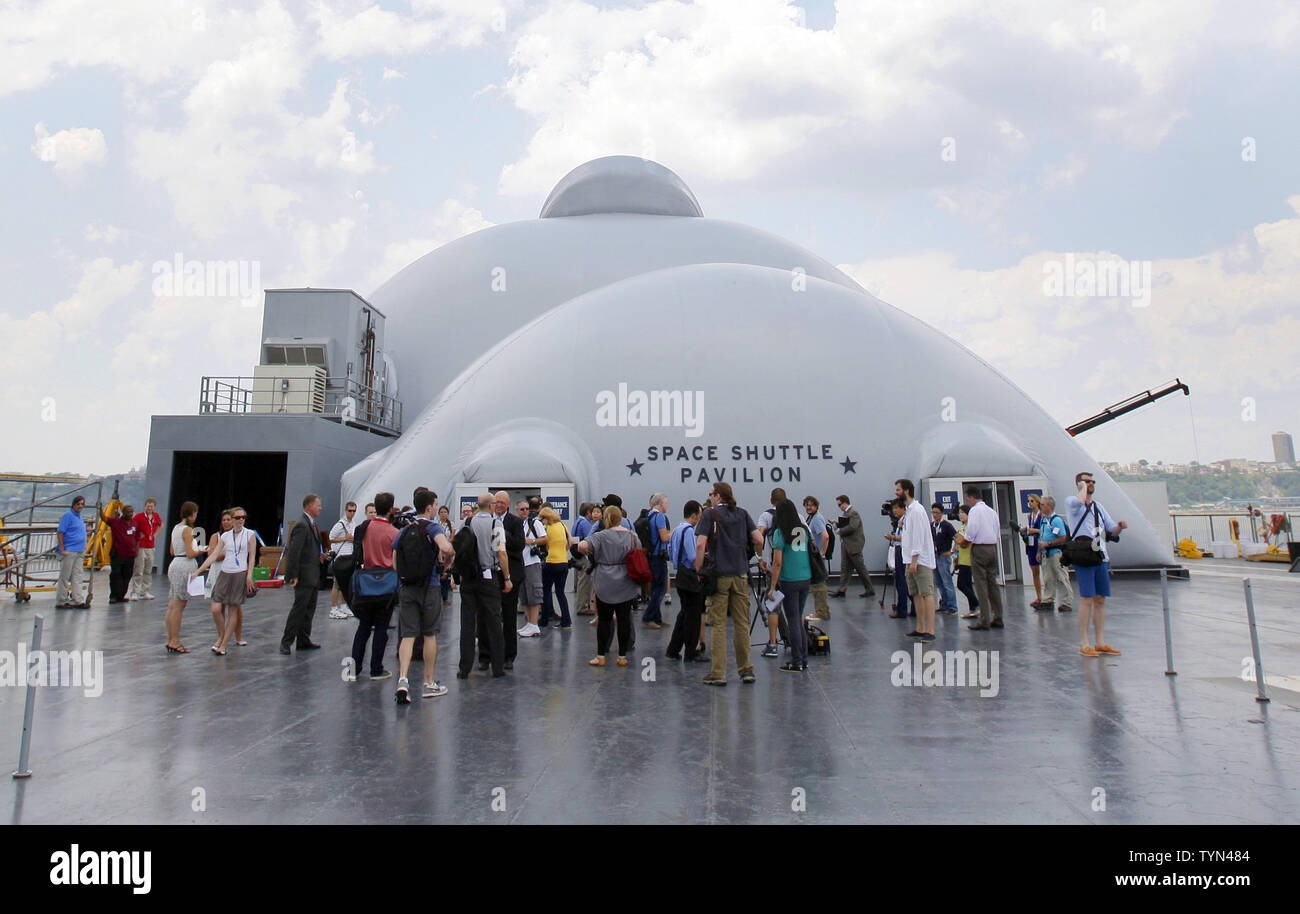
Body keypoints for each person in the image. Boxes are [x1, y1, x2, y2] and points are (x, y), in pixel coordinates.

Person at [694, 481, 763, 686]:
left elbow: (700, 544)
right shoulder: (742, 513)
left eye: (711, 494)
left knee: (718, 624)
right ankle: (746, 669)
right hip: (740, 573)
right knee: (742, 623)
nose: (710, 497)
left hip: (719, 574)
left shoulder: (710, 514)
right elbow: (758, 538)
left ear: (718, 496)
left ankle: (719, 673)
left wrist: (698, 567)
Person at [393, 489, 455, 702]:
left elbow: (394, 559)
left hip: (408, 587)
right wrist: (446, 565)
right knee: (429, 634)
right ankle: (429, 681)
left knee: (408, 635)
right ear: (429, 507)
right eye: (436, 505)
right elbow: (447, 547)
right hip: (430, 586)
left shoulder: (404, 531)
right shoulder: (433, 527)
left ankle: (403, 679)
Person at [1065, 472, 1127, 656]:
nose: (1090, 484)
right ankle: (1085, 642)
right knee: (1087, 599)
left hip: (1100, 556)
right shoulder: (1072, 502)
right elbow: (1078, 501)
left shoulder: (1098, 506)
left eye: (1092, 481)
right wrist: (1082, 488)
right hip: (1084, 555)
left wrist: (1120, 527)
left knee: (1100, 599)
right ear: (1079, 484)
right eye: (1086, 481)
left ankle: (1100, 641)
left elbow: (1110, 528)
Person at [576, 505, 640, 667]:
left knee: (604, 619)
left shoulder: (601, 536)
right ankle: (622, 656)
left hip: (604, 579)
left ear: (606, 518)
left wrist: (591, 553)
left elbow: (582, 546)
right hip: (626, 580)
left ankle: (601, 655)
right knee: (624, 619)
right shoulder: (632, 536)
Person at [455, 493, 510, 679]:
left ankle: (464, 667)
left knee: (468, 622)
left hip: (469, 578)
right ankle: (498, 666)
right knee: (494, 621)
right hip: (488, 576)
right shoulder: (496, 524)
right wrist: (507, 577)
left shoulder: (466, 523)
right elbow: (500, 552)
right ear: (492, 505)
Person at [346, 492, 400, 679]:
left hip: (366, 581)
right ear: (391, 509)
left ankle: (353, 668)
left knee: (363, 627)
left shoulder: (365, 527)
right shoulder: (394, 533)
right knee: (382, 628)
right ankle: (376, 668)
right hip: (386, 583)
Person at [194, 505, 256, 655]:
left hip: (239, 573)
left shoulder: (249, 534)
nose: (241, 520)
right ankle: (221, 636)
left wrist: (249, 575)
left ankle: (224, 644)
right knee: (216, 608)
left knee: (233, 610)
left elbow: (252, 556)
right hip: (225, 573)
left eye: (243, 518)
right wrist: (198, 571)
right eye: (238, 518)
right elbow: (213, 555)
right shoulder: (225, 536)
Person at [279, 494, 327, 655]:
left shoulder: (311, 524)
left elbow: (308, 548)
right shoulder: (302, 525)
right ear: (309, 506)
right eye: (318, 505)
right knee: (299, 610)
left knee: (309, 610)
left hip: (312, 574)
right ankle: (286, 641)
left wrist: (319, 556)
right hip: (305, 576)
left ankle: (303, 639)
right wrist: (292, 575)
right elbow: (294, 552)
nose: (320, 508)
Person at [767, 499, 811, 672]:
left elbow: (778, 562)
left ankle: (797, 660)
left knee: (792, 619)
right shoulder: (803, 530)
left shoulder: (780, 532)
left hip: (789, 579)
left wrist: (772, 586)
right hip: (805, 577)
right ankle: (804, 657)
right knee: (798, 617)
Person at [665, 500, 707, 662]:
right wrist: (699, 568)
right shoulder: (689, 531)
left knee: (684, 613)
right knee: (693, 615)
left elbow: (671, 551)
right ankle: (690, 651)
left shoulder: (676, 530)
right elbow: (692, 555)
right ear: (695, 515)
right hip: (689, 575)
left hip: (680, 574)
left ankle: (673, 648)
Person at [897, 479, 937, 643]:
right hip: (910, 560)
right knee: (915, 593)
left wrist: (914, 560)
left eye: (898, 490)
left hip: (920, 561)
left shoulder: (917, 511)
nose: (896, 493)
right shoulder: (908, 512)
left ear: (907, 490)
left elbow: (919, 537)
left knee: (926, 593)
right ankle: (920, 627)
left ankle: (930, 630)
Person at [164, 501, 204, 653]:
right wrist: (201, 549)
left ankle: (170, 638)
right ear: (192, 513)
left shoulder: (176, 528)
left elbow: (172, 551)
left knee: (172, 604)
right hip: (184, 565)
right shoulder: (187, 530)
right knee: (179, 606)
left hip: (174, 564)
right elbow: (190, 553)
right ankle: (175, 640)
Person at [491, 492, 526, 663]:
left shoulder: (515, 522)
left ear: (508, 504)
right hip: (490, 574)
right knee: (490, 615)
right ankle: (489, 653)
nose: (498, 505)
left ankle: (509, 655)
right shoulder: (486, 520)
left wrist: (501, 533)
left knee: (509, 616)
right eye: (496, 502)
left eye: (502, 503)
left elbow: (519, 544)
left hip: (511, 572)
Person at [963, 485, 1003, 630]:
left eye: (968, 498)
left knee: (980, 584)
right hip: (992, 547)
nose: (969, 501)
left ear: (972, 497)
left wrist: (965, 542)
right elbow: (997, 530)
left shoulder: (975, 510)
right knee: (993, 584)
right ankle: (998, 617)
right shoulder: (991, 511)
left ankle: (984, 620)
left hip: (979, 548)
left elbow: (972, 529)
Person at [755, 489, 788, 658]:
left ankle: (773, 644)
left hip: (772, 567)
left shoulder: (766, 516)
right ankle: (794, 640)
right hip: (794, 570)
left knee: (773, 605)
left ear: (771, 500)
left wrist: (760, 558)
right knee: (794, 608)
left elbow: (759, 537)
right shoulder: (797, 516)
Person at [830, 495, 874, 597]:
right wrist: (837, 523)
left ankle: (870, 589)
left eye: (840, 504)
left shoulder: (853, 513)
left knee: (860, 568)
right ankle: (842, 590)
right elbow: (848, 524)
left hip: (853, 545)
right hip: (846, 545)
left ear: (845, 502)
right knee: (845, 568)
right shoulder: (847, 513)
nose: (839, 507)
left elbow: (853, 526)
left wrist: (840, 530)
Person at [1035, 495, 1072, 614]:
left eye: (1042, 504)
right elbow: (1041, 537)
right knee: (1048, 578)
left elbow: (1062, 537)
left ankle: (1067, 601)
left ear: (1049, 506)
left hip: (1055, 552)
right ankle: (1048, 600)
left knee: (1062, 577)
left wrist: (1049, 543)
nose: (1040, 506)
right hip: (1046, 553)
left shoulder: (1056, 520)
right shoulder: (1044, 520)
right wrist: (1039, 551)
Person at [539, 505, 574, 628]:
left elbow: (543, 542)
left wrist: (548, 550)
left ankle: (544, 620)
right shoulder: (562, 525)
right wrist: (564, 550)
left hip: (550, 562)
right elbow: (571, 541)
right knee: (560, 592)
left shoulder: (546, 527)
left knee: (546, 591)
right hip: (563, 562)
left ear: (545, 518)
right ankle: (566, 620)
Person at [642, 493, 672, 628]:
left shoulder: (649, 516)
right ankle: (649, 616)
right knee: (660, 588)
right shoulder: (660, 517)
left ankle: (657, 617)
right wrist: (675, 533)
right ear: (660, 504)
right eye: (665, 503)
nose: (667, 506)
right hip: (658, 556)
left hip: (651, 554)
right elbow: (664, 537)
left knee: (655, 587)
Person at [100, 503, 138, 604]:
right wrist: (100, 509)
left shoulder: (134, 523)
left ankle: (121, 595)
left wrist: (136, 551)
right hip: (118, 554)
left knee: (127, 575)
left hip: (130, 555)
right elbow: (104, 518)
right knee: (116, 575)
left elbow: (137, 538)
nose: (130, 514)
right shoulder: (115, 522)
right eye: (128, 512)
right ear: (123, 512)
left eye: (131, 512)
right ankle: (113, 595)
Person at [520, 498, 549, 631]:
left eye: (527, 509)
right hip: (521, 563)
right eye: (522, 509)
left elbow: (544, 538)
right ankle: (529, 622)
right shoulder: (516, 524)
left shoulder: (535, 522)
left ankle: (534, 623)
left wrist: (531, 541)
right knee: (524, 595)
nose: (525, 511)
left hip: (532, 562)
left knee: (534, 592)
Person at [55, 495, 89, 608]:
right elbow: (60, 532)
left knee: (77, 576)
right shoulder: (68, 516)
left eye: (82, 504)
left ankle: (78, 599)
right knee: (65, 576)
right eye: (78, 504)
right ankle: (61, 600)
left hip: (79, 550)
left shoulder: (79, 517)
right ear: (73, 505)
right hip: (70, 550)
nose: (80, 506)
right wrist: (62, 549)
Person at [803, 496, 831, 622]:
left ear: (816, 506)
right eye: (807, 505)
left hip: (817, 557)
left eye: (811, 505)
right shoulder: (812, 518)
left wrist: (822, 553)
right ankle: (821, 611)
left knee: (818, 586)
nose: (809, 507)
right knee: (817, 585)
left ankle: (821, 612)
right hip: (815, 556)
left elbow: (825, 536)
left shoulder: (817, 519)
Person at [327, 501, 358, 619]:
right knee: (337, 584)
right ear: (346, 511)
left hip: (349, 556)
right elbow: (331, 538)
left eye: (354, 511)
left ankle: (344, 605)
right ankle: (334, 608)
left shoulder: (354, 524)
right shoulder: (340, 524)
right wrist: (345, 538)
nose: (352, 513)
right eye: (350, 511)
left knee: (346, 584)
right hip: (340, 558)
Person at [128, 498, 163, 600]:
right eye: (148, 506)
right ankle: (135, 591)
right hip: (141, 546)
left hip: (151, 546)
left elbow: (161, 525)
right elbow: (132, 526)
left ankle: (145, 591)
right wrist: (138, 536)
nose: (149, 508)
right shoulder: (139, 516)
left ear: (154, 507)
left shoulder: (156, 516)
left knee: (148, 570)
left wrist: (155, 534)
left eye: (151, 506)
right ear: (145, 506)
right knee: (138, 569)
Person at [572, 502, 601, 616]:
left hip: (576, 555)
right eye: (593, 511)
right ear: (588, 512)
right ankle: (583, 606)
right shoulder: (585, 523)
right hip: (584, 555)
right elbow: (590, 539)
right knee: (585, 582)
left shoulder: (577, 522)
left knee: (582, 581)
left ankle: (582, 605)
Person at [884, 500, 911, 618]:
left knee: (901, 581)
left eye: (896, 508)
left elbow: (906, 537)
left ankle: (902, 610)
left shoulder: (906, 520)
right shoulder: (900, 521)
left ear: (903, 508)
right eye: (893, 509)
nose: (894, 511)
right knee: (905, 581)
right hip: (900, 549)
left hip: (902, 550)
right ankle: (913, 607)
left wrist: (893, 537)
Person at [930, 503, 958, 614]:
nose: (935, 515)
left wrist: (952, 552)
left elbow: (957, 538)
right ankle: (944, 603)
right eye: (933, 512)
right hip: (935, 556)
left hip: (943, 557)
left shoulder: (947, 526)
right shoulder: (931, 525)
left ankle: (952, 605)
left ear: (941, 513)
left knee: (947, 582)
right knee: (939, 582)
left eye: (937, 513)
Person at [954, 505, 981, 620]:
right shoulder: (962, 527)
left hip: (968, 559)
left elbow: (966, 542)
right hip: (962, 559)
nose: (960, 515)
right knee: (968, 584)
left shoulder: (970, 527)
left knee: (961, 584)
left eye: (962, 513)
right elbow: (957, 543)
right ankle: (972, 608)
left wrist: (960, 542)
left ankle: (977, 603)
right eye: (959, 513)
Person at [1022, 493, 1046, 608]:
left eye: (1032, 501)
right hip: (1031, 544)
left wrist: (1034, 530)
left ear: (1037, 502)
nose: (1030, 503)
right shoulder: (1029, 516)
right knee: (1034, 571)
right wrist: (1026, 530)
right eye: (1029, 501)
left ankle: (1047, 596)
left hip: (1039, 542)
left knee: (1045, 571)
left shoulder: (1042, 515)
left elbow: (1044, 530)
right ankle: (1039, 596)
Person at [437, 504, 455, 602]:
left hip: (447, 550)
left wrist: (446, 544)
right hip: (439, 550)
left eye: (445, 512)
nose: (443, 514)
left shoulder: (451, 524)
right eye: (441, 512)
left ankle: (445, 597)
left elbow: (452, 537)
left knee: (446, 573)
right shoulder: (436, 523)